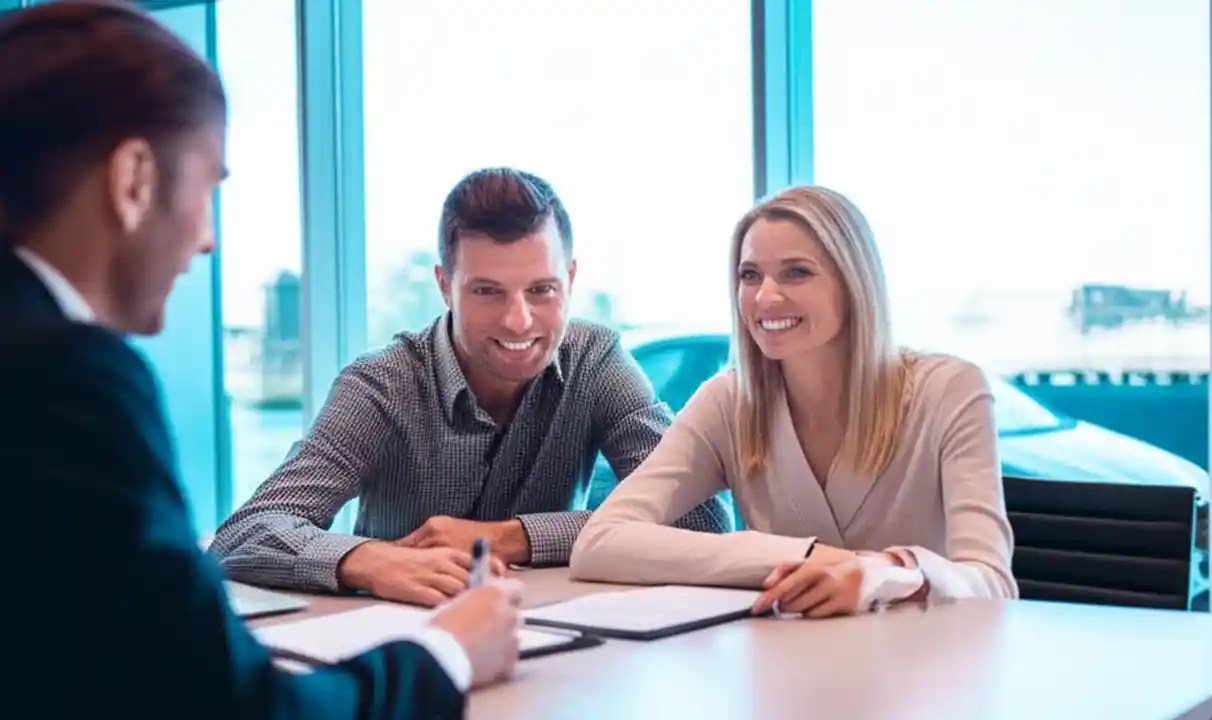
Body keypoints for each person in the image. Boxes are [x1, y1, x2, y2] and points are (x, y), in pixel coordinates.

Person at [1, 3, 520, 718]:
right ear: (134, 180)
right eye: (209, 186)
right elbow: (238, 708)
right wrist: (448, 651)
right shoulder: (68, 379)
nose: (208, 240)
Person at [210, 166, 730, 606]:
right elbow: (244, 534)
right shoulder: (381, 383)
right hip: (404, 646)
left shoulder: (597, 361)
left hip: (557, 642)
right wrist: (366, 560)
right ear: (445, 285)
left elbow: (702, 522)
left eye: (542, 290)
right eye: (487, 291)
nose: (519, 320)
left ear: (570, 279)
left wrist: (514, 538)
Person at [569, 186, 1018, 616]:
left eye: (796, 272)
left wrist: (883, 574)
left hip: (928, 675)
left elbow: (992, 583)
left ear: (853, 282)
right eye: (750, 276)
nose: (765, 296)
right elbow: (600, 543)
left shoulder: (950, 390)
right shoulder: (728, 401)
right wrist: (805, 557)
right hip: (785, 666)